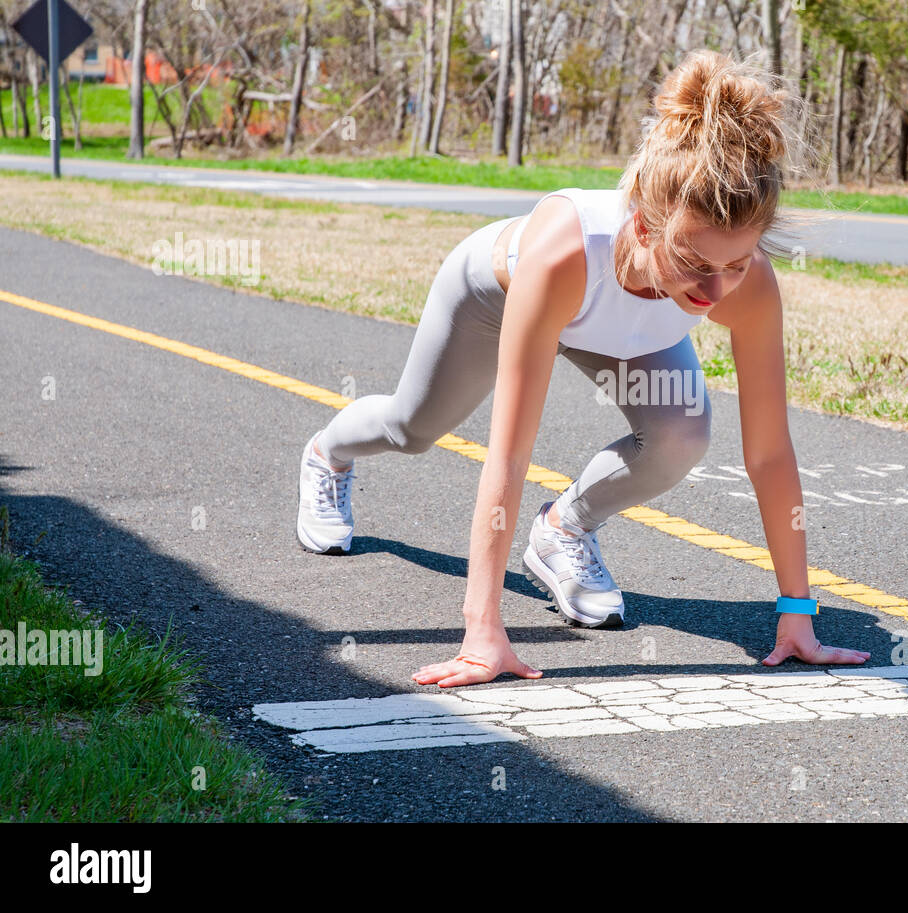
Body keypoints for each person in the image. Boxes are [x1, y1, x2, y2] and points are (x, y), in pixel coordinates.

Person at [296, 47, 870, 688]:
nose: (715, 289)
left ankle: (562, 529)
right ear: (647, 227)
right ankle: (327, 454)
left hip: (623, 325)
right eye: (698, 262)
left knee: (682, 432)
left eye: (735, 263)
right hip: (496, 295)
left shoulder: (747, 284)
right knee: (413, 428)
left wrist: (798, 614)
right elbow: (508, 455)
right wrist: (482, 629)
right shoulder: (569, 250)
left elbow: (768, 453)